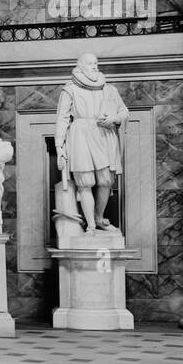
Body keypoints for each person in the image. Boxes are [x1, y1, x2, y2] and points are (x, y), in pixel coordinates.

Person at [55, 51, 128, 233]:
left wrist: (114, 119)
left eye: (96, 63)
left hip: (104, 135)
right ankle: (91, 226)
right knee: (85, 182)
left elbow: (124, 112)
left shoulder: (109, 89)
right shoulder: (70, 89)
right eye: (90, 63)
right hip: (81, 136)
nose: (95, 66)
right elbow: (62, 119)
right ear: (80, 67)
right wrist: (59, 146)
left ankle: (99, 218)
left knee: (105, 181)